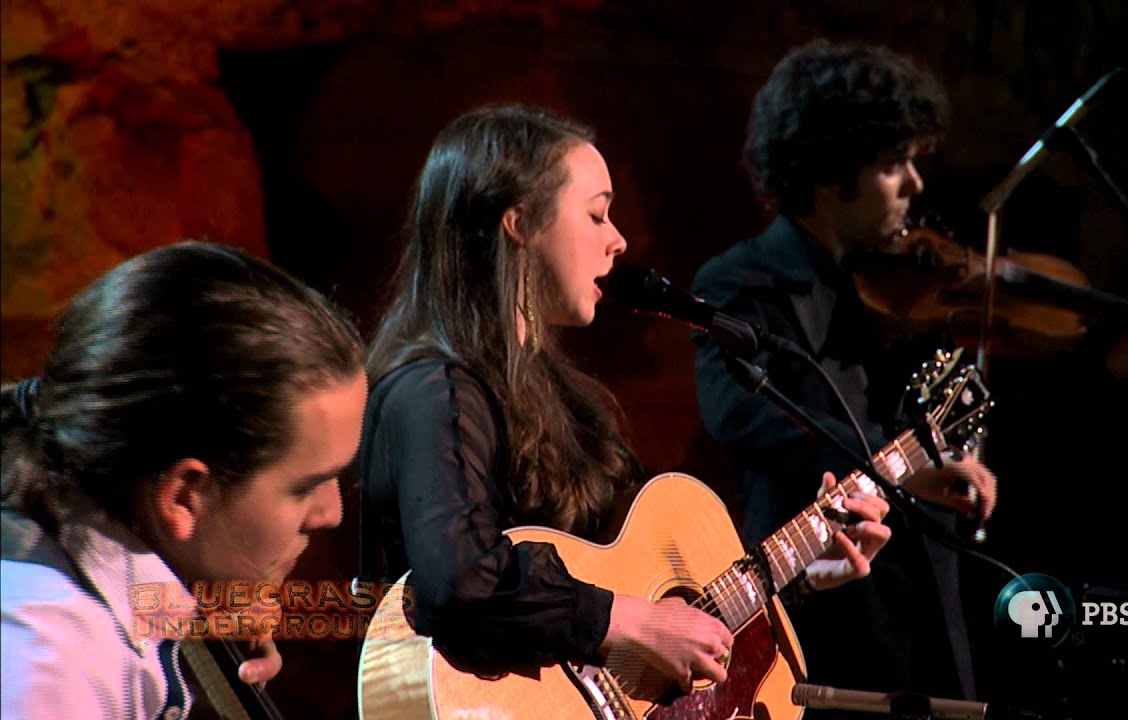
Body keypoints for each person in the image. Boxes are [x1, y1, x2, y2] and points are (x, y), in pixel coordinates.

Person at [691, 40, 1128, 711]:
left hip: (935, 621)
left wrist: (1114, 360)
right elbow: (742, 414)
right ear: (830, 170)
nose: (916, 185)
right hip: (820, 626)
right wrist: (892, 468)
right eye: (893, 164)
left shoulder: (908, 290)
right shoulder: (743, 284)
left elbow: (991, 410)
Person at [357, 104, 892, 699]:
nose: (618, 240)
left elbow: (643, 586)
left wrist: (795, 574)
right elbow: (460, 579)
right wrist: (633, 622)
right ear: (520, 223)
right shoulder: (431, 390)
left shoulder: (566, 400)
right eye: (596, 214)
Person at [1, 241, 367, 719]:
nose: (332, 513)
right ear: (183, 497)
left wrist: (193, 596)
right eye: (305, 487)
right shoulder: (48, 671)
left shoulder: (77, 517)